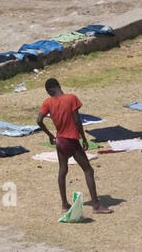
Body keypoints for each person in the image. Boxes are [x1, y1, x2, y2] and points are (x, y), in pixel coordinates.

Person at [37, 78, 111, 215]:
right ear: (58, 86)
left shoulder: (48, 102)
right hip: (71, 140)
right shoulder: (71, 98)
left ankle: (64, 204)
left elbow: (39, 120)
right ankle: (96, 205)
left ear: (49, 90)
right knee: (88, 170)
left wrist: (49, 135)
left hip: (60, 141)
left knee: (62, 171)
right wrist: (83, 138)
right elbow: (77, 120)